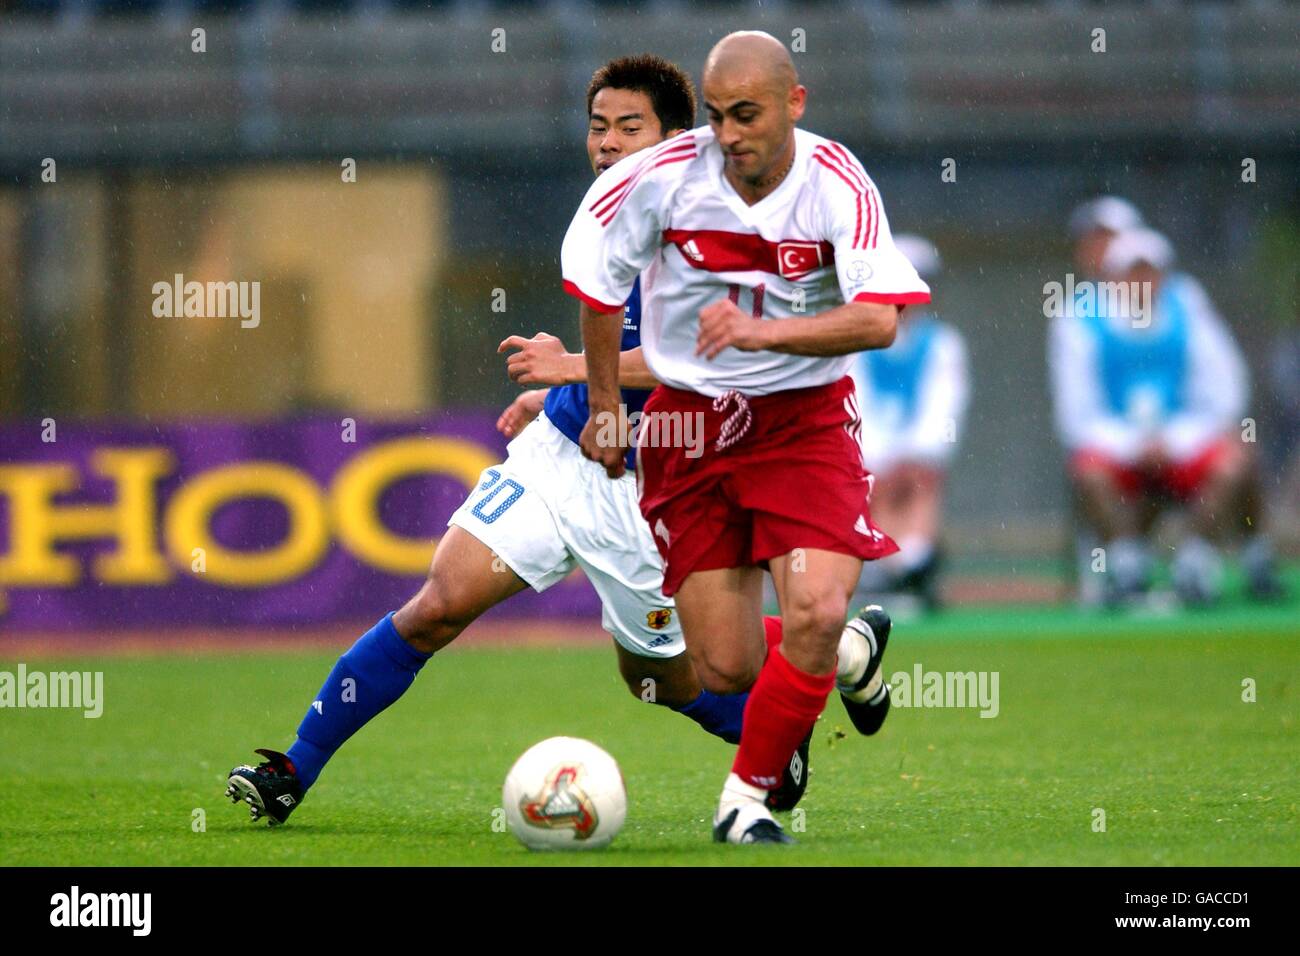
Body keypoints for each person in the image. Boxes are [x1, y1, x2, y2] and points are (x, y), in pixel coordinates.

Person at [225, 53, 855, 824]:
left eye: (630, 127)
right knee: (438, 604)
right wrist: (569, 392)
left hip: (651, 486)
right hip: (561, 458)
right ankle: (295, 767)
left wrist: (571, 372)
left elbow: (695, 357)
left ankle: (803, 694)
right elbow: (615, 333)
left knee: (667, 678)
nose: (608, 144)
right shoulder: (603, 213)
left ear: (678, 139)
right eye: (598, 128)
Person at [563, 31, 929, 844]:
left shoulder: (836, 182)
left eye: (749, 114)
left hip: (802, 426)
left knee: (815, 604)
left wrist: (768, 338)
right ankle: (842, 657)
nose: (730, 134)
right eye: (720, 115)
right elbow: (596, 285)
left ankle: (746, 802)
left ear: (795, 104)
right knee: (723, 665)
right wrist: (603, 407)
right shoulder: (662, 180)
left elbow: (877, 320)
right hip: (689, 428)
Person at [1048, 226, 1283, 606]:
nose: (1142, 282)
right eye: (1131, 273)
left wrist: (1172, 441)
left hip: (1182, 443)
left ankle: (1195, 557)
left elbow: (1225, 389)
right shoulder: (1079, 320)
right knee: (1088, 473)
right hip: (1119, 451)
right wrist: (1134, 444)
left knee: (1236, 460)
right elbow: (1075, 414)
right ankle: (1126, 563)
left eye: (1149, 272)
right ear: (1114, 278)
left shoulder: (1188, 306)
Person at [850, 234, 969, 612]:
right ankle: (897, 564)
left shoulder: (944, 343)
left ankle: (905, 563)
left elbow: (943, 412)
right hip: (869, 461)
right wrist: (880, 464)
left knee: (920, 480)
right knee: (870, 483)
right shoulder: (857, 340)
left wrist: (911, 458)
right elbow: (853, 409)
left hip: (913, 464)